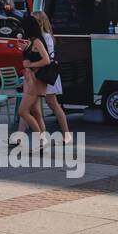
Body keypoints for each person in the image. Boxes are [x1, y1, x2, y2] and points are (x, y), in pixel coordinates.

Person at [32, 11, 71, 142]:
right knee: (32, 105)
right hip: (44, 73)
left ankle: (65, 134)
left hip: (45, 73)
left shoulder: (44, 37)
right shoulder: (44, 36)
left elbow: (44, 57)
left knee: (51, 103)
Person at [17, 14, 53, 145]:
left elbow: (46, 60)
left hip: (35, 81)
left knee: (22, 111)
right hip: (30, 80)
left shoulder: (37, 41)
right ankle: (43, 140)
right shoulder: (32, 41)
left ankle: (41, 140)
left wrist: (30, 65)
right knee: (36, 112)